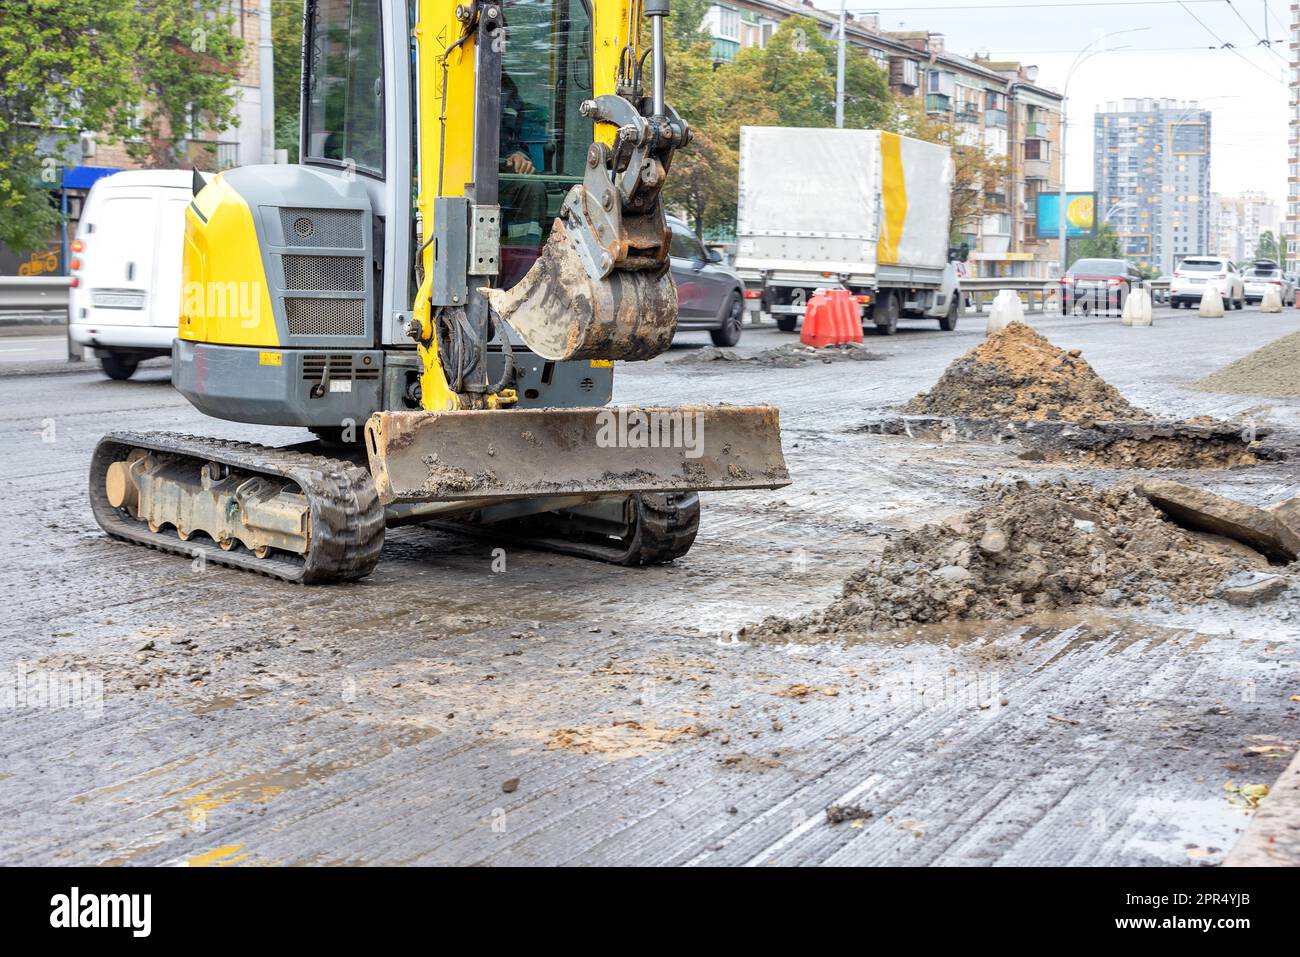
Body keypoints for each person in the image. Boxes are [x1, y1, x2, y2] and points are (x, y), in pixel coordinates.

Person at [499, 72, 547, 243]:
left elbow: (516, 139)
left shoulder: (506, 91)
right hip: (459, 170)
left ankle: (524, 258)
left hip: (500, 170)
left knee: (533, 188)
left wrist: (518, 155)